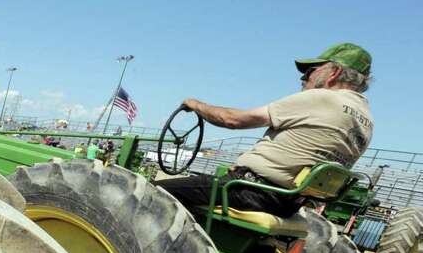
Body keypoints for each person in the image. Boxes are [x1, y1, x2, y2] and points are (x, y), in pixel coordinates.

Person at [156, 43, 374, 216]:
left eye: (310, 71)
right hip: (288, 203)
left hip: (247, 191)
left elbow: (233, 120)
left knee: (147, 192)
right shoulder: (366, 119)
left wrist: (195, 104)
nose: (303, 78)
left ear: (333, 72)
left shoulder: (322, 99)